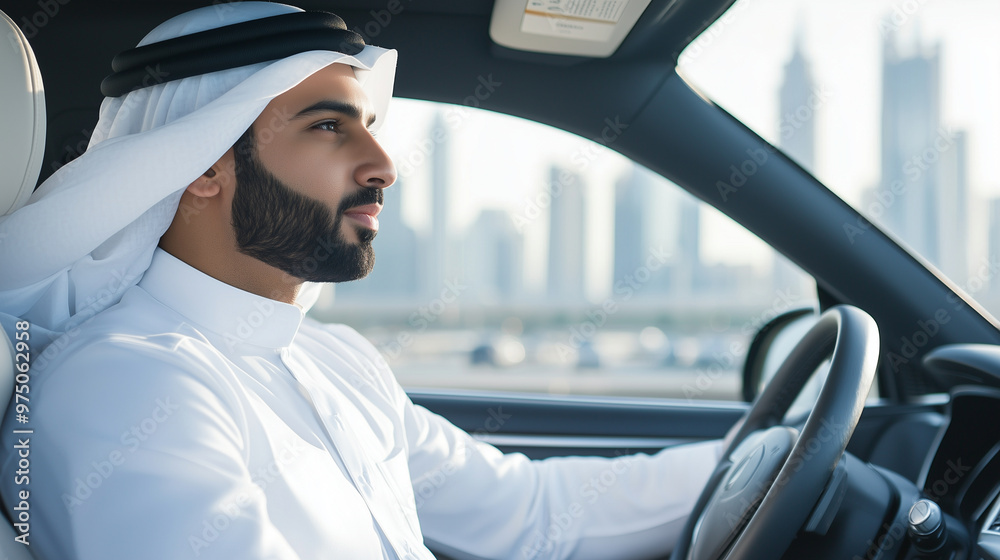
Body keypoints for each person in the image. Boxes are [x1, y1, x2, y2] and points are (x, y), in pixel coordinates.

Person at [0, 3, 721, 559]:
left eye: (370, 125)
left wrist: (760, 453)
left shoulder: (331, 360)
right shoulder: (127, 384)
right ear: (201, 166)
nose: (383, 163)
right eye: (327, 127)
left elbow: (531, 513)